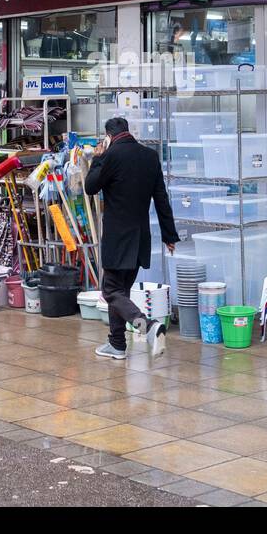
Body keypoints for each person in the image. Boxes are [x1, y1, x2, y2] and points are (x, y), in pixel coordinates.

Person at [85, 116, 180, 359]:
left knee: (111, 291)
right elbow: (161, 198)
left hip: (117, 238)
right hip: (140, 239)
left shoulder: (111, 156)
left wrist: (97, 158)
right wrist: (169, 235)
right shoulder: (150, 157)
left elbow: (90, 186)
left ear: (108, 136)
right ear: (128, 131)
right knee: (120, 292)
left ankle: (146, 327)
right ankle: (117, 344)